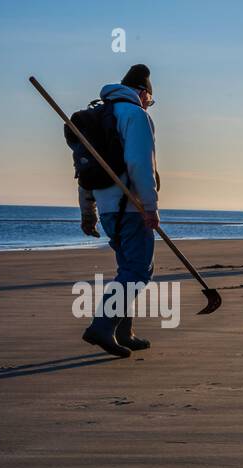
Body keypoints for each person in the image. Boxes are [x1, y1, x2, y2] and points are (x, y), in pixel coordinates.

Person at [78, 63, 160, 359]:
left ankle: (124, 332)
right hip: (131, 207)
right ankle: (102, 326)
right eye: (150, 99)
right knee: (138, 270)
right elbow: (140, 164)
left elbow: (84, 169)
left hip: (109, 208)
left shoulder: (100, 115)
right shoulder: (135, 115)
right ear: (142, 92)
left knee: (128, 268)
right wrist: (150, 207)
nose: (149, 105)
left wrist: (88, 210)